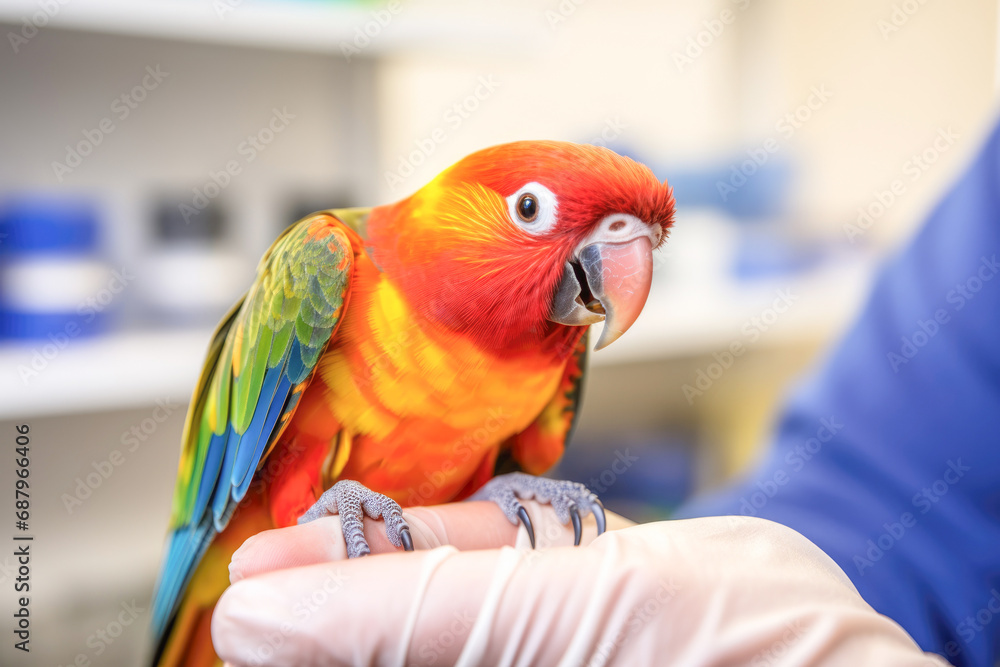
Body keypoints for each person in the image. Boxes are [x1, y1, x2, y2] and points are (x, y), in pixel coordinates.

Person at [210, 118, 1000, 667]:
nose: (617, 261)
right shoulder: (326, 263)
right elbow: (891, 482)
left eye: (638, 238)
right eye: (530, 211)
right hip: (263, 539)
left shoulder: (556, 351)